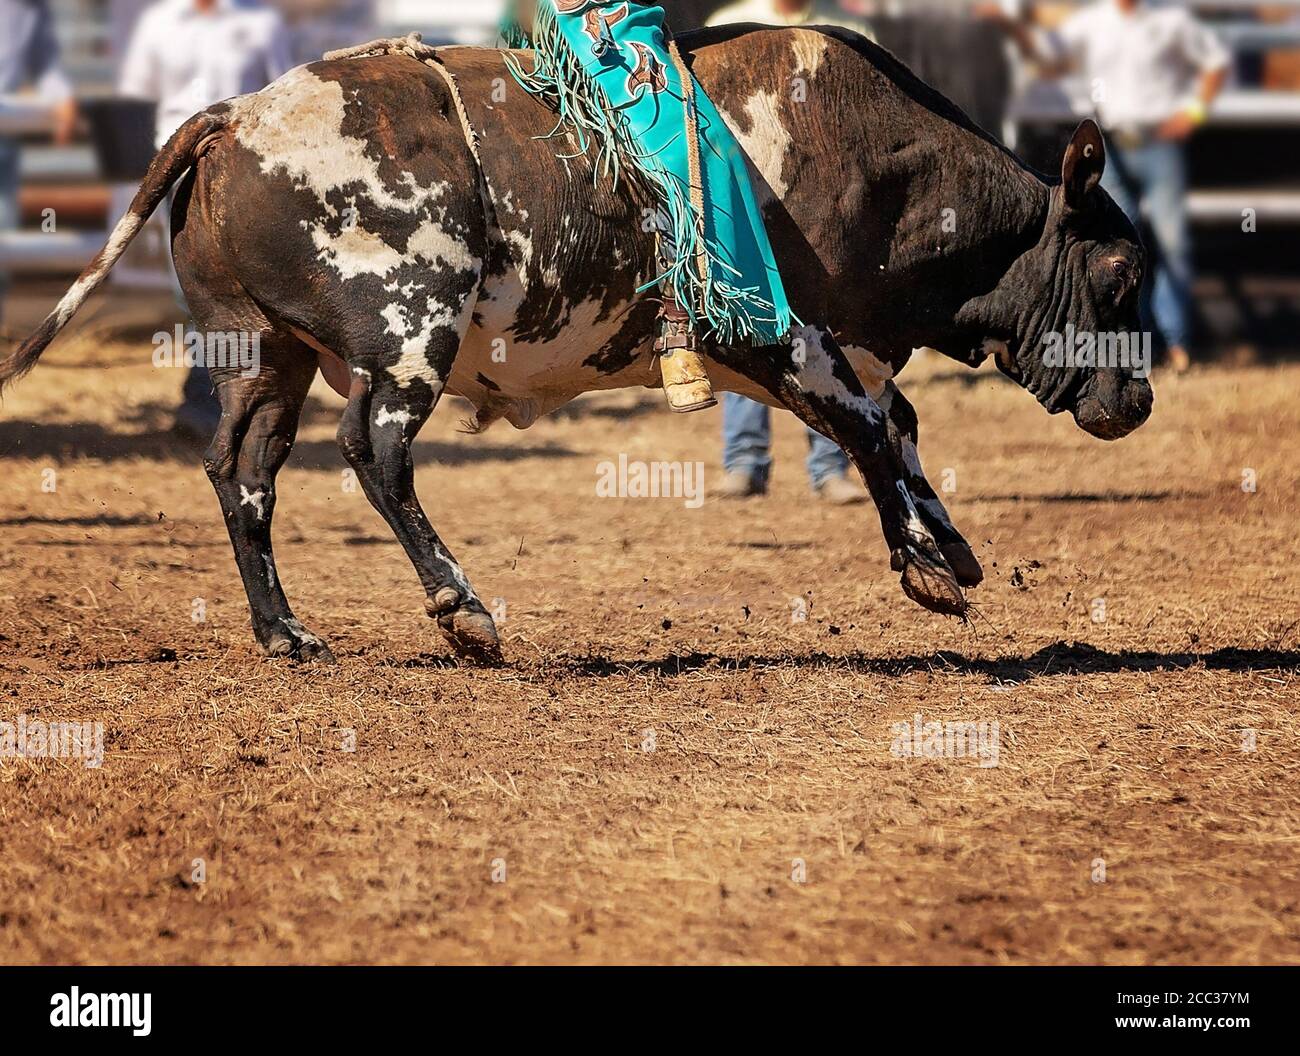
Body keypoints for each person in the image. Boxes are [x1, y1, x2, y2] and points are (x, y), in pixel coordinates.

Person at [979, 0, 1230, 373]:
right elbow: (1050, 63)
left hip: (1158, 142)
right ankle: (1139, 341)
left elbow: (1215, 64)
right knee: (1119, 247)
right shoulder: (1093, 23)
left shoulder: (1170, 21)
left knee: (1171, 242)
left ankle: (1176, 343)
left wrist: (1191, 113)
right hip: (1111, 144)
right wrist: (1014, 28)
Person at [707, 0, 873, 504]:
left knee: (830, 338)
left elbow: (868, 127)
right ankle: (744, 462)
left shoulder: (849, 31)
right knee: (746, 322)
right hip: (748, 206)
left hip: (824, 216)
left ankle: (830, 467)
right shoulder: (724, 28)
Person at [118, 0, 292, 439]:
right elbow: (137, 99)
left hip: (245, 173)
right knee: (194, 292)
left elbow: (282, 94)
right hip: (177, 170)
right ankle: (216, 401)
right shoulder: (159, 23)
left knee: (240, 288)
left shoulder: (261, 23)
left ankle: (222, 403)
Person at [0, 0, 78, 333]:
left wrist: (61, 97)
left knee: (3, 237)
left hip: (5, 139)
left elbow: (46, 62)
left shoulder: (28, 8)